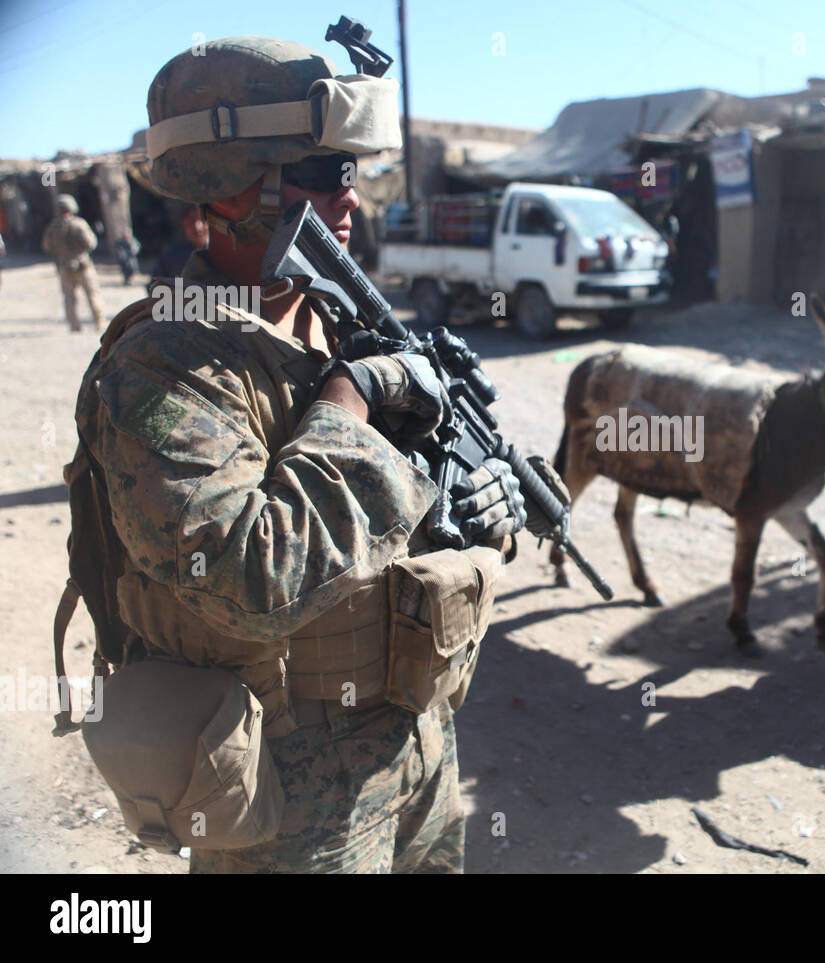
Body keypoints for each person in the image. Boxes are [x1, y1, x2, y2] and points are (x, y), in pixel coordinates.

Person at [80, 33, 531, 873]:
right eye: (326, 177)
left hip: (419, 740)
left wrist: (470, 508)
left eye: (353, 175)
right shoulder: (160, 367)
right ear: (226, 189)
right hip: (291, 798)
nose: (351, 200)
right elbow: (250, 581)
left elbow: (394, 521)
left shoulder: (334, 316)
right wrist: (353, 399)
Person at [41, 194, 106, 332]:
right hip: (83, 266)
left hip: (64, 267)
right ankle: (99, 323)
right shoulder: (78, 224)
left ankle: (74, 326)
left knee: (70, 299)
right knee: (93, 294)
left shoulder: (53, 227)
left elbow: (46, 246)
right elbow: (91, 243)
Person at [150, 205, 208, 281]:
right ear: (184, 224)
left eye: (202, 221)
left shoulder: (222, 254)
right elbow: (155, 286)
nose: (198, 227)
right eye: (192, 221)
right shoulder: (171, 257)